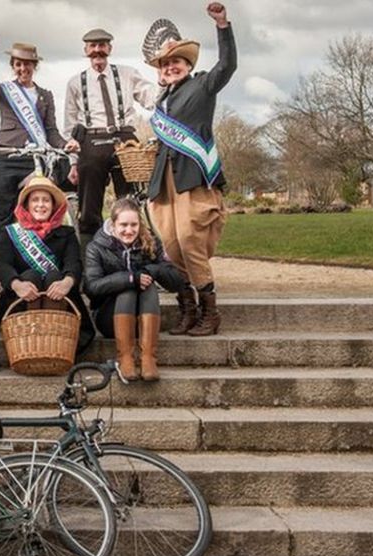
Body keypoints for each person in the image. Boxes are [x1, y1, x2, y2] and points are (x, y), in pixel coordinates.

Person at [145, 2, 236, 336]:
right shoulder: (162, 101)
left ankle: (210, 312)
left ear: (188, 64)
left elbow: (227, 65)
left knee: (189, 240)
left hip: (193, 177)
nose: (171, 67)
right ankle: (188, 309)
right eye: (165, 63)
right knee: (171, 247)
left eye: (177, 62)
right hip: (164, 182)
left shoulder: (202, 86)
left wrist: (222, 26)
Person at [0, 37, 78, 294]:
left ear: (34, 66)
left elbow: (51, 130)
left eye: (28, 64)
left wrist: (65, 144)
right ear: (13, 66)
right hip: (7, 156)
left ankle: (34, 266)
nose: (23, 69)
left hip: (35, 159)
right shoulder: (5, 91)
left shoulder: (45, 95)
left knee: (36, 212)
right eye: (18, 64)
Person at [63, 28, 157, 249]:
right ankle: (91, 257)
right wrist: (73, 162)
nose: (98, 50)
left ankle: (133, 253)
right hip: (92, 140)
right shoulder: (75, 82)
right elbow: (69, 124)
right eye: (93, 46)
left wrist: (164, 81)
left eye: (102, 45)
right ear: (86, 50)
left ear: (110, 48)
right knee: (88, 206)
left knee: (130, 202)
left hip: (125, 138)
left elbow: (151, 97)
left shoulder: (128, 73)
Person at [83, 198, 185, 382]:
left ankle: (148, 358)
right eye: (123, 225)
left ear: (140, 224)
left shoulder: (151, 242)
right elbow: (91, 287)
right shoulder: (96, 247)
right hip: (109, 318)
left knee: (147, 284)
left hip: (144, 319)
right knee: (129, 287)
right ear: (113, 224)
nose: (129, 230)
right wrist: (129, 278)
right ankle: (125, 357)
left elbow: (176, 282)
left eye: (134, 225)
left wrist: (151, 271)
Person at [0, 177, 96, 354]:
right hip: (19, 300)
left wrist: (67, 282)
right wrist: (17, 285)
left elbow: (74, 263)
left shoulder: (67, 234)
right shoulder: (9, 233)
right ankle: (30, 343)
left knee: (54, 276)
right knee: (31, 276)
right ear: (26, 205)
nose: (41, 205)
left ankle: (54, 344)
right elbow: (3, 265)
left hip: (60, 298)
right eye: (35, 200)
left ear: (53, 205)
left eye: (46, 200)